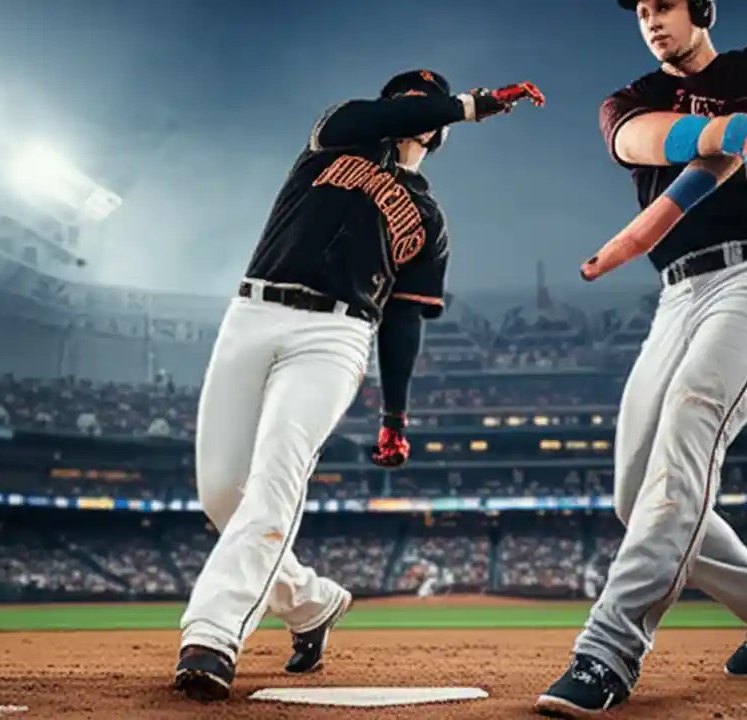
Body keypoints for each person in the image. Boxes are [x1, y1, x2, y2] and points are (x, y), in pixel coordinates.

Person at [173, 69, 544, 703]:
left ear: (436, 129)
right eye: (400, 99)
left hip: (337, 335)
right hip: (253, 313)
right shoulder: (338, 133)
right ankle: (312, 601)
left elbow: (403, 320)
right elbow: (380, 117)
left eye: (422, 103)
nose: (408, 107)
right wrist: (470, 105)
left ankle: (211, 635)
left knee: (279, 471)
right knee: (220, 492)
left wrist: (394, 415)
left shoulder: (428, 217)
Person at [536, 1, 747, 716]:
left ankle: (608, 649)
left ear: (701, 8)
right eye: (640, 10)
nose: (651, 20)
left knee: (690, 423)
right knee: (634, 495)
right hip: (677, 293)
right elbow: (651, 142)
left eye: (664, 4)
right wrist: (739, 134)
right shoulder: (629, 100)